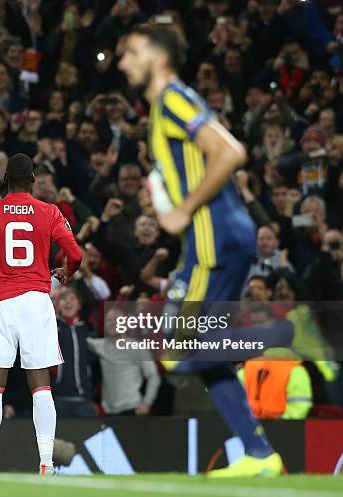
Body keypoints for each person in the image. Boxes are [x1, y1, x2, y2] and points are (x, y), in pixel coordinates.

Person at [118, 25, 283, 477]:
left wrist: (183, 209)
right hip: (212, 241)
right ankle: (259, 455)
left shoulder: (172, 98)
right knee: (193, 352)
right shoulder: (163, 107)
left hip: (215, 241)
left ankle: (285, 336)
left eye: (131, 52)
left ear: (161, 57)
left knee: (178, 351)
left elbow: (230, 152)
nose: (122, 62)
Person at [0, 153, 82, 476]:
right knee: (40, 386)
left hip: (0, 303)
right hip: (37, 304)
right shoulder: (49, 212)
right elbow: (76, 254)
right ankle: (47, 464)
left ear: (5, 178)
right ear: (34, 179)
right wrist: (66, 272)